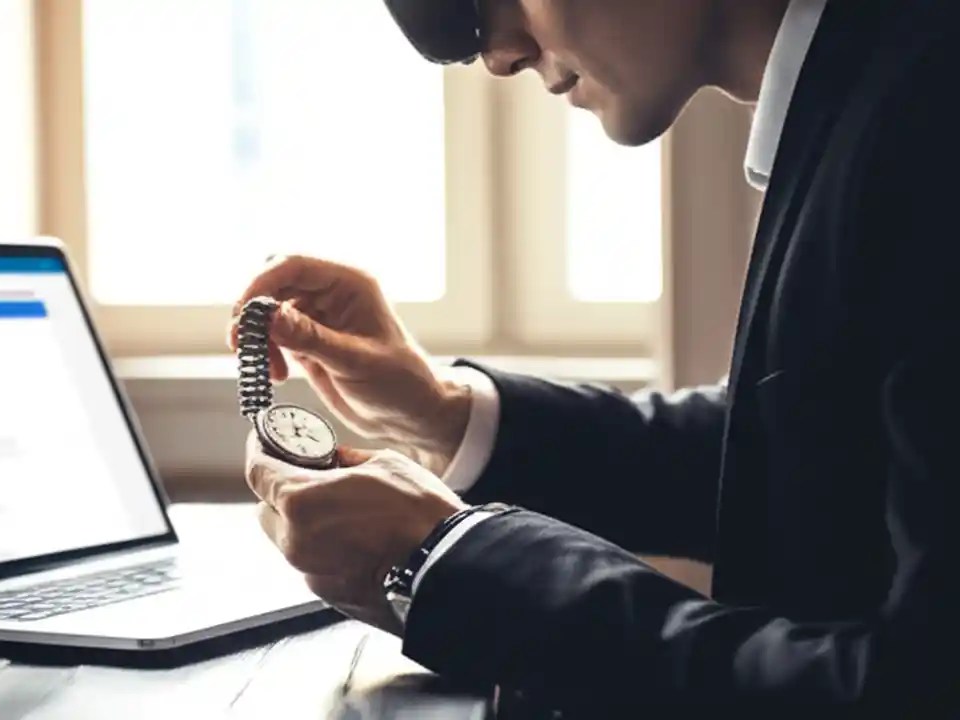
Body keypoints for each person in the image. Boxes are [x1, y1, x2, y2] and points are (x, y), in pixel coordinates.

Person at [236, 0, 959, 713]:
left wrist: (456, 559)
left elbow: (916, 687)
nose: (498, 55)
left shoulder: (932, 112)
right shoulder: (880, 88)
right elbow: (813, 447)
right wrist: (441, 413)